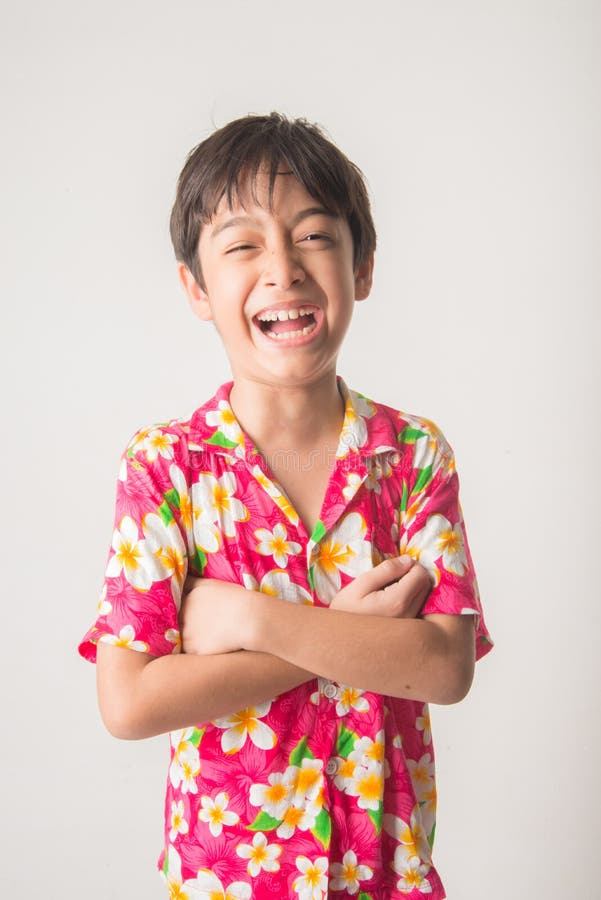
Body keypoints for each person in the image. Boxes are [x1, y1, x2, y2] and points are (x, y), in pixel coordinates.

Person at [79, 112, 492, 899]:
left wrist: (250, 621)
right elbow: (129, 702)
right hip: (224, 882)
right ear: (196, 288)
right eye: (242, 246)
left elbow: (442, 668)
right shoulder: (167, 467)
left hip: (385, 875)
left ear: (361, 267)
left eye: (312, 237)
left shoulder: (410, 456)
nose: (282, 270)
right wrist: (356, 636)